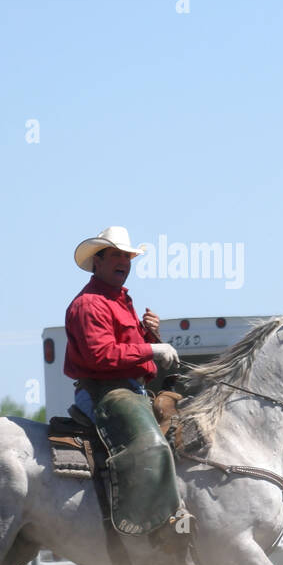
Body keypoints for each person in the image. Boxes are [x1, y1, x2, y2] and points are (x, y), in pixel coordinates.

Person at [65, 226, 182, 536]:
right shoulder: (90, 304)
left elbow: (129, 354)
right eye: (116, 255)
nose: (124, 262)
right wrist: (153, 347)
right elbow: (101, 356)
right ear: (97, 262)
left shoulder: (119, 300)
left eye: (127, 256)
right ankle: (157, 527)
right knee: (152, 446)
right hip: (104, 392)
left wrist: (150, 335)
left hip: (128, 389)